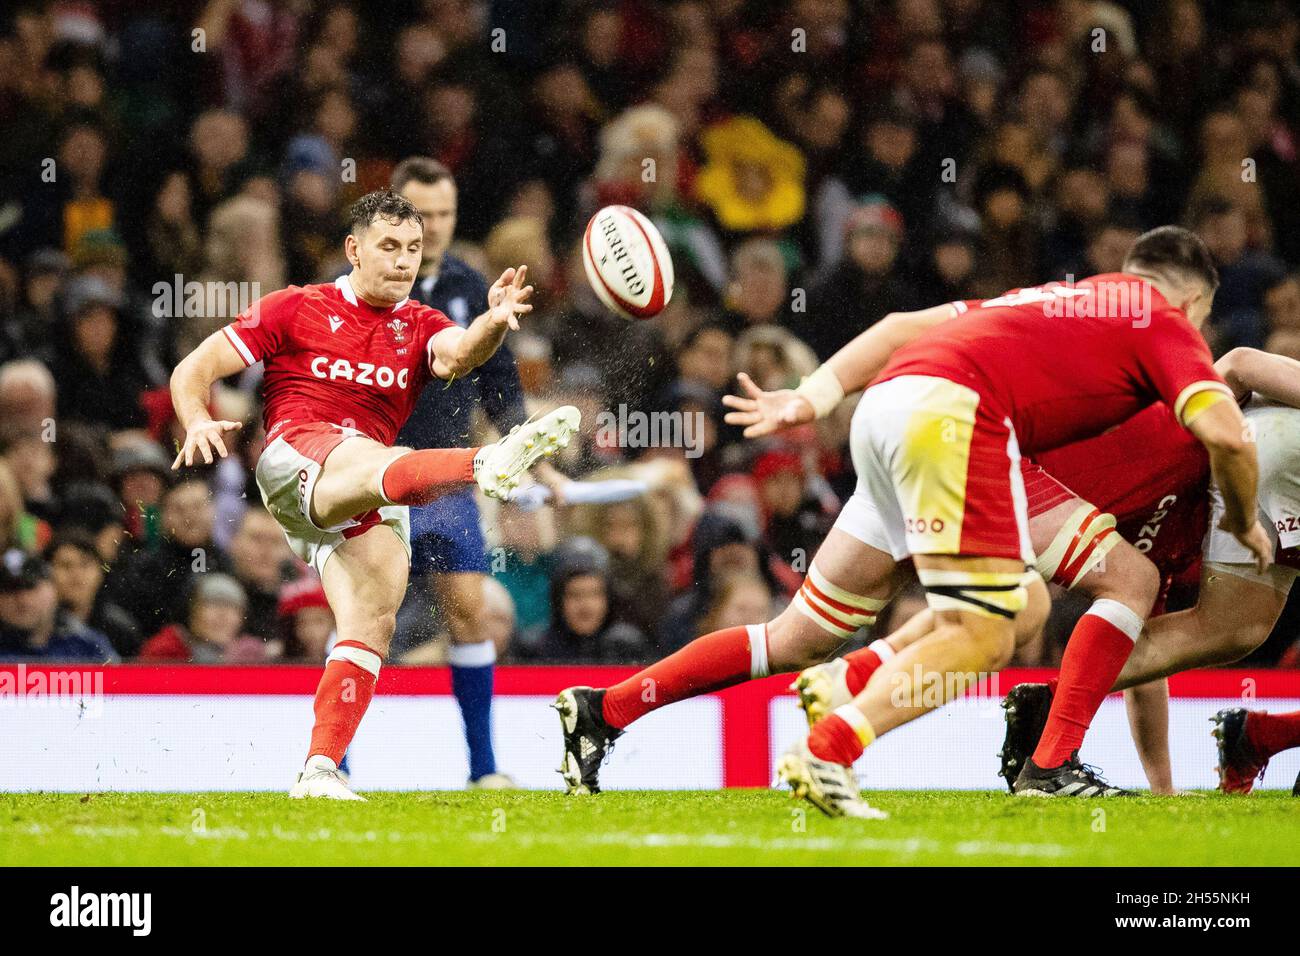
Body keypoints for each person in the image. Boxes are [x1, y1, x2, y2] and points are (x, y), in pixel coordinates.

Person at [553, 226, 1268, 814]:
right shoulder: (1165, 324)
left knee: (796, 638)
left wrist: (813, 394)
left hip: (889, 408)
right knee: (1002, 626)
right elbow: (1231, 435)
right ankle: (841, 748)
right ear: (1195, 300)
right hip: (957, 423)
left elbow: (899, 327)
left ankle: (603, 711)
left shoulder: (1051, 299)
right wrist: (1244, 520)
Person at [168, 189, 579, 800]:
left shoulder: (420, 324)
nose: (404, 261)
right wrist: (197, 419)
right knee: (373, 455)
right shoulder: (296, 307)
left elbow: (460, 356)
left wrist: (491, 322)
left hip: (367, 486)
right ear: (353, 250)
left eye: (413, 249)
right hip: (296, 459)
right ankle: (483, 461)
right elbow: (193, 370)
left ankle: (320, 771)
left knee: (372, 620)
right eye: (389, 247)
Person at [392, 156, 542, 788]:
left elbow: (502, 389)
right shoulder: (355, 292)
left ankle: (484, 769)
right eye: (419, 214)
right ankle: (332, 764)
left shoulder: (473, 286)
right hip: (374, 478)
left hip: (448, 481)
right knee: (366, 620)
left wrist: (531, 456)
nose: (433, 226)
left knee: (470, 613)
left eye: (444, 214)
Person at [0, 551, 118, 662]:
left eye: (30, 586)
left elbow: (118, 681)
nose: (22, 600)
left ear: (54, 589)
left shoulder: (87, 644)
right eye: (9, 590)